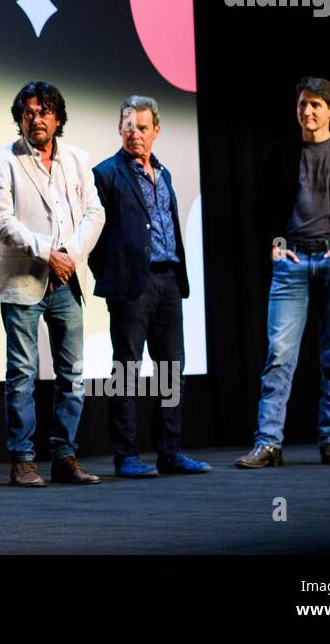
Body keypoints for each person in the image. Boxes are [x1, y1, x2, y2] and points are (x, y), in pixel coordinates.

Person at [237, 78, 330, 468]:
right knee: (280, 354)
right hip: (293, 261)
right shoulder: (281, 153)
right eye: (303, 104)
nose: (308, 112)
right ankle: (268, 443)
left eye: (316, 105)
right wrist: (274, 245)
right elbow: (260, 209)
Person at [0, 81, 105, 485]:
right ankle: (22, 458)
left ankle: (65, 455)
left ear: (58, 117)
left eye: (45, 111)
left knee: (73, 372)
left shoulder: (77, 158)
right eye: (29, 112)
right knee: (22, 372)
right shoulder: (2, 160)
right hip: (23, 280)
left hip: (67, 281)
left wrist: (68, 254)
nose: (37, 119)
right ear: (20, 118)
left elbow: (95, 214)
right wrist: (47, 251)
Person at [90, 96, 210, 477]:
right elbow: (94, 237)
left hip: (169, 280)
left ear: (156, 131)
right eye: (127, 126)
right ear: (119, 129)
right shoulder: (106, 173)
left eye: (142, 127)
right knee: (126, 369)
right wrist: (111, 275)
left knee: (171, 369)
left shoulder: (165, 174)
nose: (134, 133)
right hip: (131, 285)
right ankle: (126, 455)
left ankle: (169, 452)